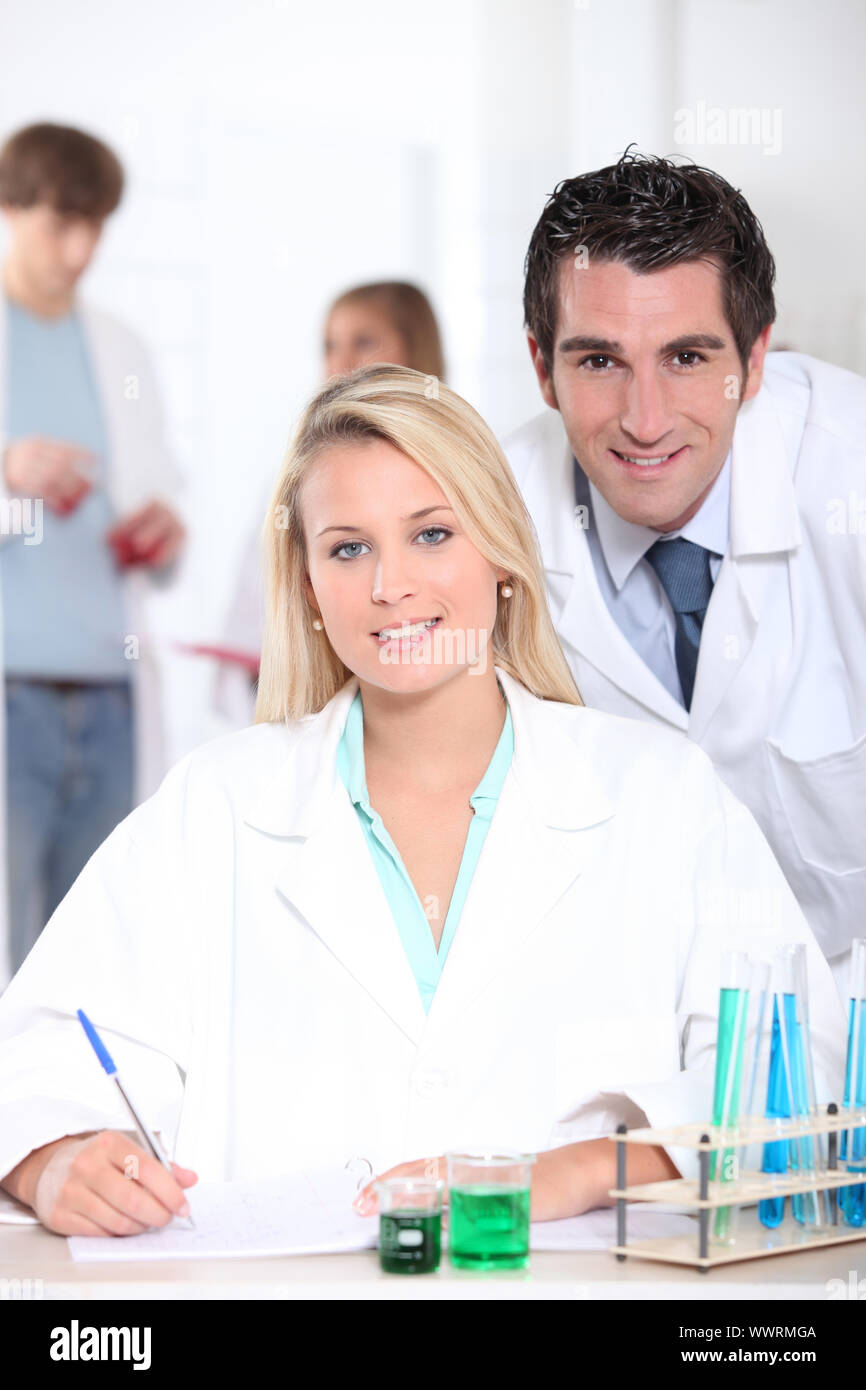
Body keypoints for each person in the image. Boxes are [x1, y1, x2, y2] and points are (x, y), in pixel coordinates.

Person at [0, 366, 843, 1237]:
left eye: (432, 534)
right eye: (348, 548)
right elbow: (45, 1053)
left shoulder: (662, 795)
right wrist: (57, 1158)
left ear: (502, 553)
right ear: (308, 587)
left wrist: (576, 1171)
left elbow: (792, 1075)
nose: (390, 585)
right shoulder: (217, 805)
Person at [505, 150, 866, 1004]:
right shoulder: (485, 517)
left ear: (758, 355)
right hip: (623, 1019)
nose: (646, 420)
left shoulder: (849, 477)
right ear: (541, 368)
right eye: (598, 361)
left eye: (688, 358)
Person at [0, 122, 185, 980]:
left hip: (110, 698)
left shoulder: (122, 348)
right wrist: (7, 473)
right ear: (10, 208)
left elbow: (161, 490)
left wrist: (163, 532)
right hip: (14, 697)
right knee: (13, 945)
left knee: (94, 951)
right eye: (57, 225)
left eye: (94, 226)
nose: (78, 250)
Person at [215, 281, 445, 727]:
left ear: (416, 347)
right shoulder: (299, 482)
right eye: (329, 346)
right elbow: (255, 611)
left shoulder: (463, 466)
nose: (342, 364)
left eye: (364, 342)